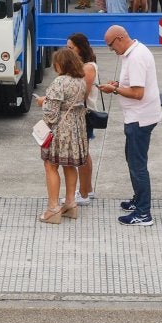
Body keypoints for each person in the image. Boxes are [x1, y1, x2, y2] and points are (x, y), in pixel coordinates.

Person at [101, 24, 161, 226]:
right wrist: (118, 85)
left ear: (119, 38)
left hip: (139, 118)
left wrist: (114, 91)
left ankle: (144, 213)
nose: (111, 50)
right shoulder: (133, 52)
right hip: (138, 116)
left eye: (111, 45)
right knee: (132, 159)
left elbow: (137, 93)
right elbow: (133, 86)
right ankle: (138, 200)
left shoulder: (135, 58)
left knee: (138, 166)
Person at [36, 47, 90, 224]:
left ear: (61, 64)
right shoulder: (80, 81)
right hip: (76, 128)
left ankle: (53, 208)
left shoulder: (59, 82)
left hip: (60, 130)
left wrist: (42, 103)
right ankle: (70, 204)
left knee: (51, 165)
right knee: (69, 165)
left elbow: (51, 114)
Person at [67, 32, 100, 205]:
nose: (68, 50)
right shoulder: (81, 65)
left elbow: (82, 94)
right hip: (79, 114)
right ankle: (88, 190)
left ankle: (84, 193)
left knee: (82, 155)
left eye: (70, 47)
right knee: (83, 154)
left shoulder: (88, 67)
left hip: (83, 115)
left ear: (80, 48)